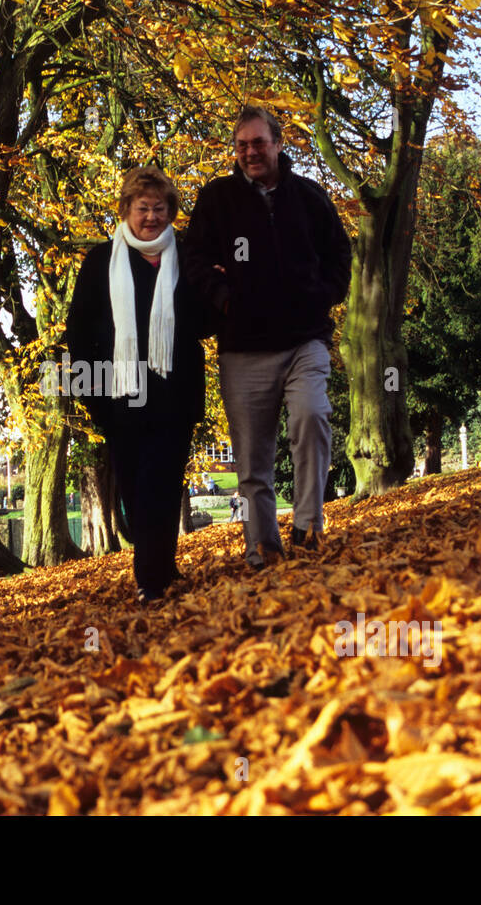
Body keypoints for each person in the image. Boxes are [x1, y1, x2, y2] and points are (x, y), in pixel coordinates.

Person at [183, 106, 351, 569]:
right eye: (242, 145)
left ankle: (309, 524)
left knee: (312, 417)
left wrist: (324, 294)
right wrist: (223, 298)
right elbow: (193, 259)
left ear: (278, 143)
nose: (250, 152)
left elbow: (340, 252)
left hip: (305, 339)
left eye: (258, 143)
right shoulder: (216, 199)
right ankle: (262, 546)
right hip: (243, 346)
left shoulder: (310, 197)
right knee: (252, 458)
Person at [66, 166, 210, 604]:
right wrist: (93, 398)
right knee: (136, 488)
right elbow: (79, 334)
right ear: (126, 209)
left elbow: (204, 325)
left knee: (165, 485)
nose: (150, 217)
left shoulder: (186, 258)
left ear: (171, 213)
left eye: (159, 208)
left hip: (174, 393)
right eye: (142, 207)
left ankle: (157, 573)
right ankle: (154, 575)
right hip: (121, 397)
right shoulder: (100, 262)